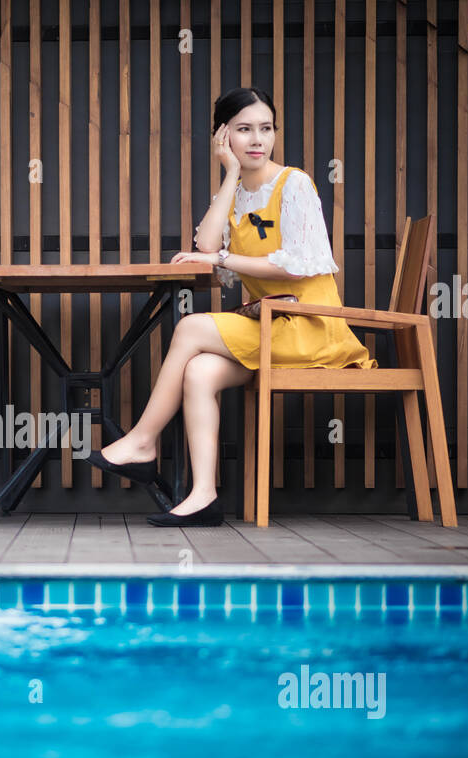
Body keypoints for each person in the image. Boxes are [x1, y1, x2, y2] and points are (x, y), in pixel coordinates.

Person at [86, 86, 376, 527]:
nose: (258, 139)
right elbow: (204, 243)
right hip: (270, 329)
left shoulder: (294, 183)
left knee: (190, 329)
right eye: (244, 130)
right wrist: (229, 176)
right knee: (199, 371)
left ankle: (142, 441)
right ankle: (204, 496)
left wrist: (219, 258)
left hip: (312, 327)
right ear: (223, 138)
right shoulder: (238, 194)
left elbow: (297, 265)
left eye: (266, 128)